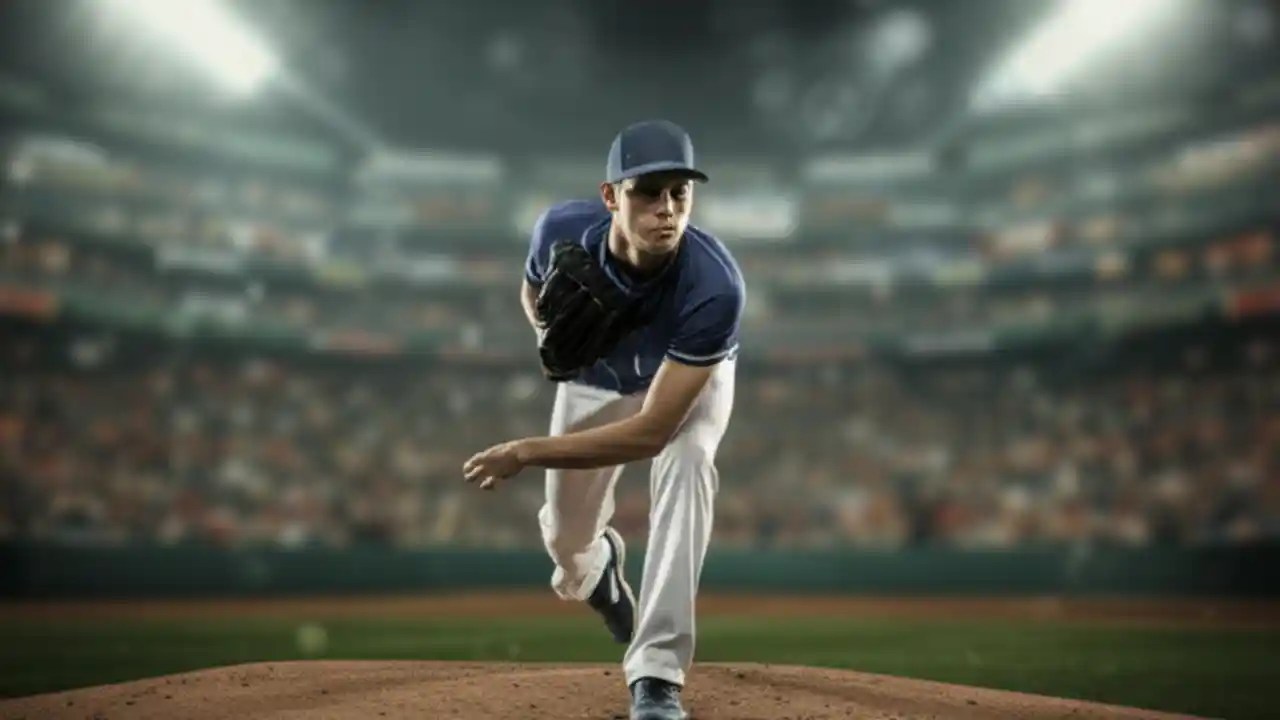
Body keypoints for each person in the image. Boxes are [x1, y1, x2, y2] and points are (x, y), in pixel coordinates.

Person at [463, 119, 745, 720]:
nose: (667, 209)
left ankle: (657, 673)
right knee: (564, 539)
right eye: (649, 192)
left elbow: (651, 432)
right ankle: (596, 572)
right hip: (596, 375)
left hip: (687, 380)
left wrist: (525, 450)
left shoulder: (714, 287)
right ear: (611, 195)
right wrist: (544, 330)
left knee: (689, 460)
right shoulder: (559, 231)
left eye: (680, 193)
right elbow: (531, 290)